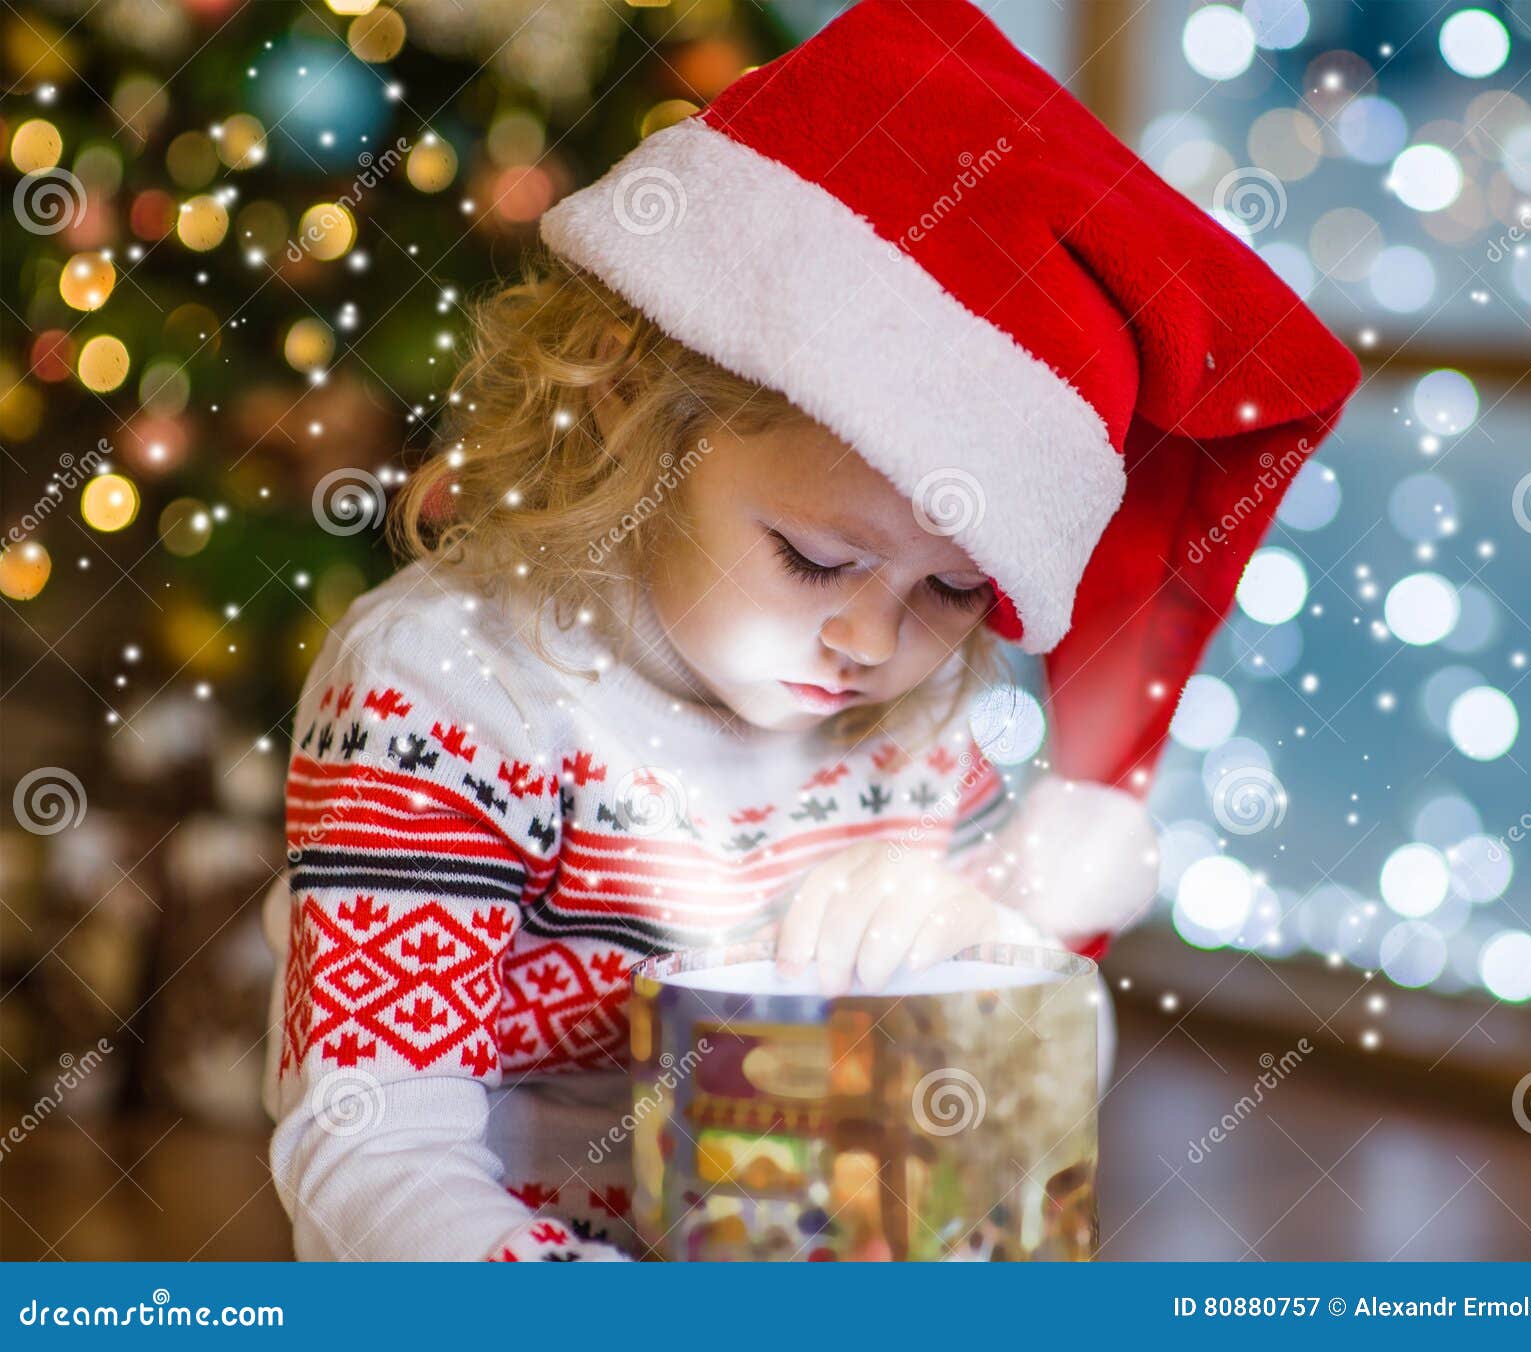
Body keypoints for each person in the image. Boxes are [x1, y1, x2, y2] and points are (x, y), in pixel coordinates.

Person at [261, 0, 1360, 1262]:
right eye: (816, 557)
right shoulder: (449, 687)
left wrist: (975, 941)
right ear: (631, 409)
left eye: (953, 594)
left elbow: (1039, 1094)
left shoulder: (917, 721)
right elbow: (370, 1150)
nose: (866, 639)